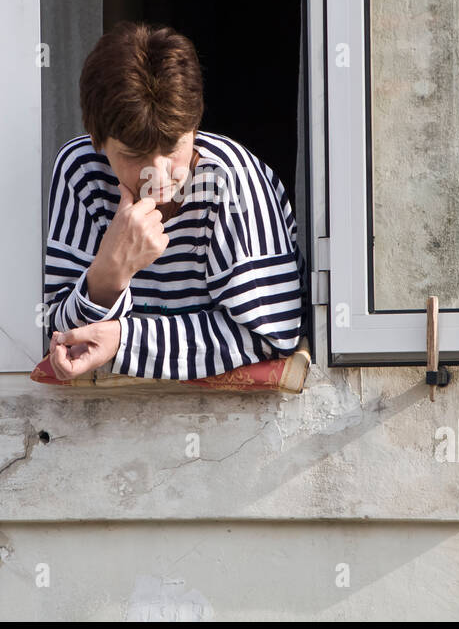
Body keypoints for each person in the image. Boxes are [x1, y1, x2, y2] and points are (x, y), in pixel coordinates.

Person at [43, 20, 305, 381]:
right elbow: (61, 339)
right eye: (134, 154)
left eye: (172, 147)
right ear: (98, 139)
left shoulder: (232, 180)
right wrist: (109, 274)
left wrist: (123, 341)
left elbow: (274, 333)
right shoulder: (82, 170)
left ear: (195, 128)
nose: (159, 175)